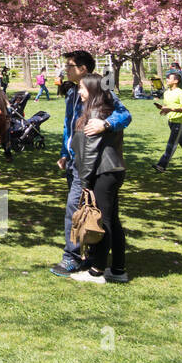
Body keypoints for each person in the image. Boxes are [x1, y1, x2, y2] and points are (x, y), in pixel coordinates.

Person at [51, 50, 132, 278]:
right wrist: (65, 152)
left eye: (70, 65)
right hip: (76, 158)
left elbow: (125, 115)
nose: (66, 69)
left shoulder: (101, 90)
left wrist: (105, 124)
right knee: (90, 211)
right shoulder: (72, 94)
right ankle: (92, 256)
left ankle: (72, 258)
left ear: (83, 69)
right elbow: (69, 127)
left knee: (76, 209)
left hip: (93, 163)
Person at [67, 75, 129, 284]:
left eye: (82, 88)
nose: (79, 92)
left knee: (101, 220)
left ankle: (97, 269)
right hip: (113, 169)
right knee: (112, 219)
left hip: (103, 171)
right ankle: (118, 268)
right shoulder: (105, 111)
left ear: (93, 90)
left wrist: (85, 183)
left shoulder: (95, 115)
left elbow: (91, 152)